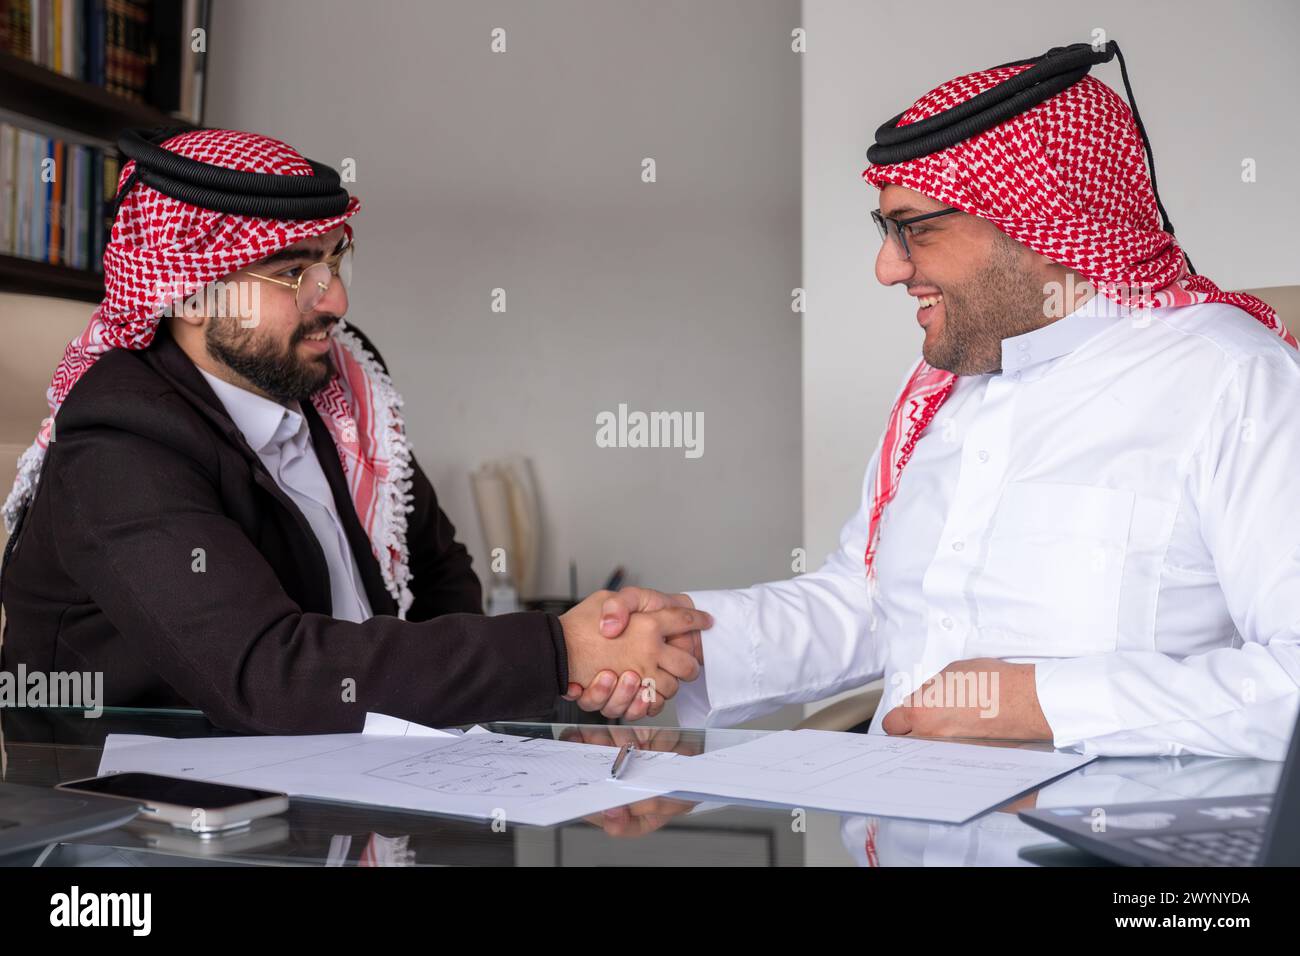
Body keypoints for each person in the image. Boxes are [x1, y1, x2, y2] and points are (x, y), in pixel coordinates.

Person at [574, 43, 1300, 760]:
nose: (888, 268)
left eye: (916, 230)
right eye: (886, 230)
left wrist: (1047, 703)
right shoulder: (940, 386)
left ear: (1043, 223)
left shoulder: (1233, 381)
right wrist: (683, 638)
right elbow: (875, 607)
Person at [0, 128, 707, 734]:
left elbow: (440, 580)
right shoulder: (118, 442)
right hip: (144, 817)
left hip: (353, 770)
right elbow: (267, 673)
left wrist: (556, 680)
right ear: (189, 292)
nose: (334, 299)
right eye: (293, 272)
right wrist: (558, 650)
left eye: (334, 260)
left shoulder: (336, 388)